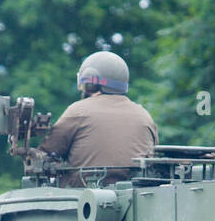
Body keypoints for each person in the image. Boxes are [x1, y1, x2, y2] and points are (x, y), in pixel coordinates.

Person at [40, 51, 158, 185]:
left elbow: (47, 154)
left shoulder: (78, 111)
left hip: (84, 199)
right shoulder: (143, 115)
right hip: (137, 197)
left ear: (91, 83)